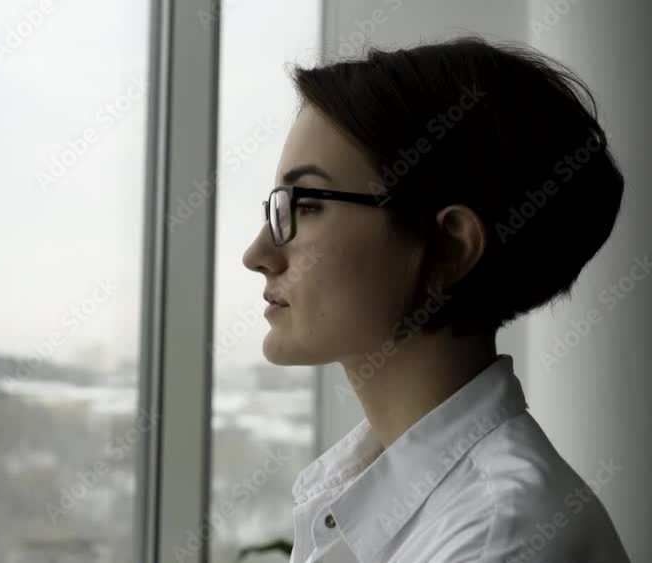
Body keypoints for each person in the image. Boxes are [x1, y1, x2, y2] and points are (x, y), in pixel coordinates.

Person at [241, 36, 631, 562]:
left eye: (306, 205)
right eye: (277, 207)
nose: (259, 252)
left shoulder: (500, 540)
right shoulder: (377, 497)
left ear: (450, 246)